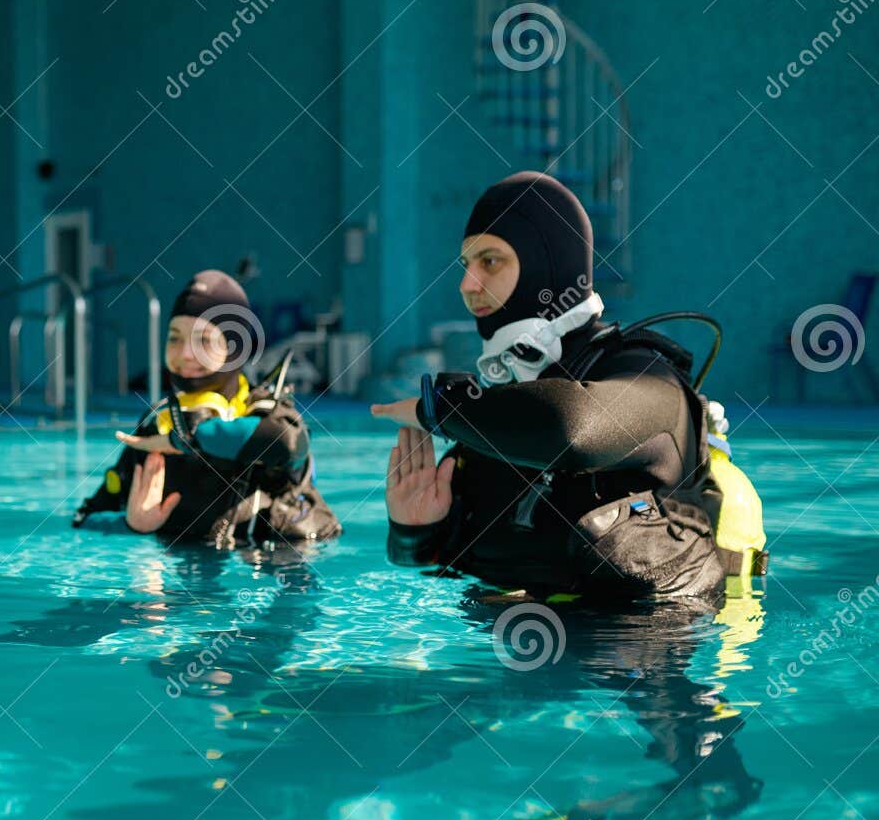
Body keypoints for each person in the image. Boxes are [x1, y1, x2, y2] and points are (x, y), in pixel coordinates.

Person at [370, 171, 765, 601]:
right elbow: (447, 567)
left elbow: (572, 430)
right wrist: (414, 531)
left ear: (546, 264)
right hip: (504, 638)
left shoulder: (648, 378)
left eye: (490, 261)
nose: (467, 285)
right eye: (466, 266)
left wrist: (438, 408)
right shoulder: (498, 418)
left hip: (637, 640)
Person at [72, 270, 340, 548]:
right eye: (174, 338)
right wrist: (132, 526)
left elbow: (288, 444)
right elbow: (84, 518)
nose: (185, 354)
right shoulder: (156, 426)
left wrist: (186, 437)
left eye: (203, 341)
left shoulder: (268, 417)